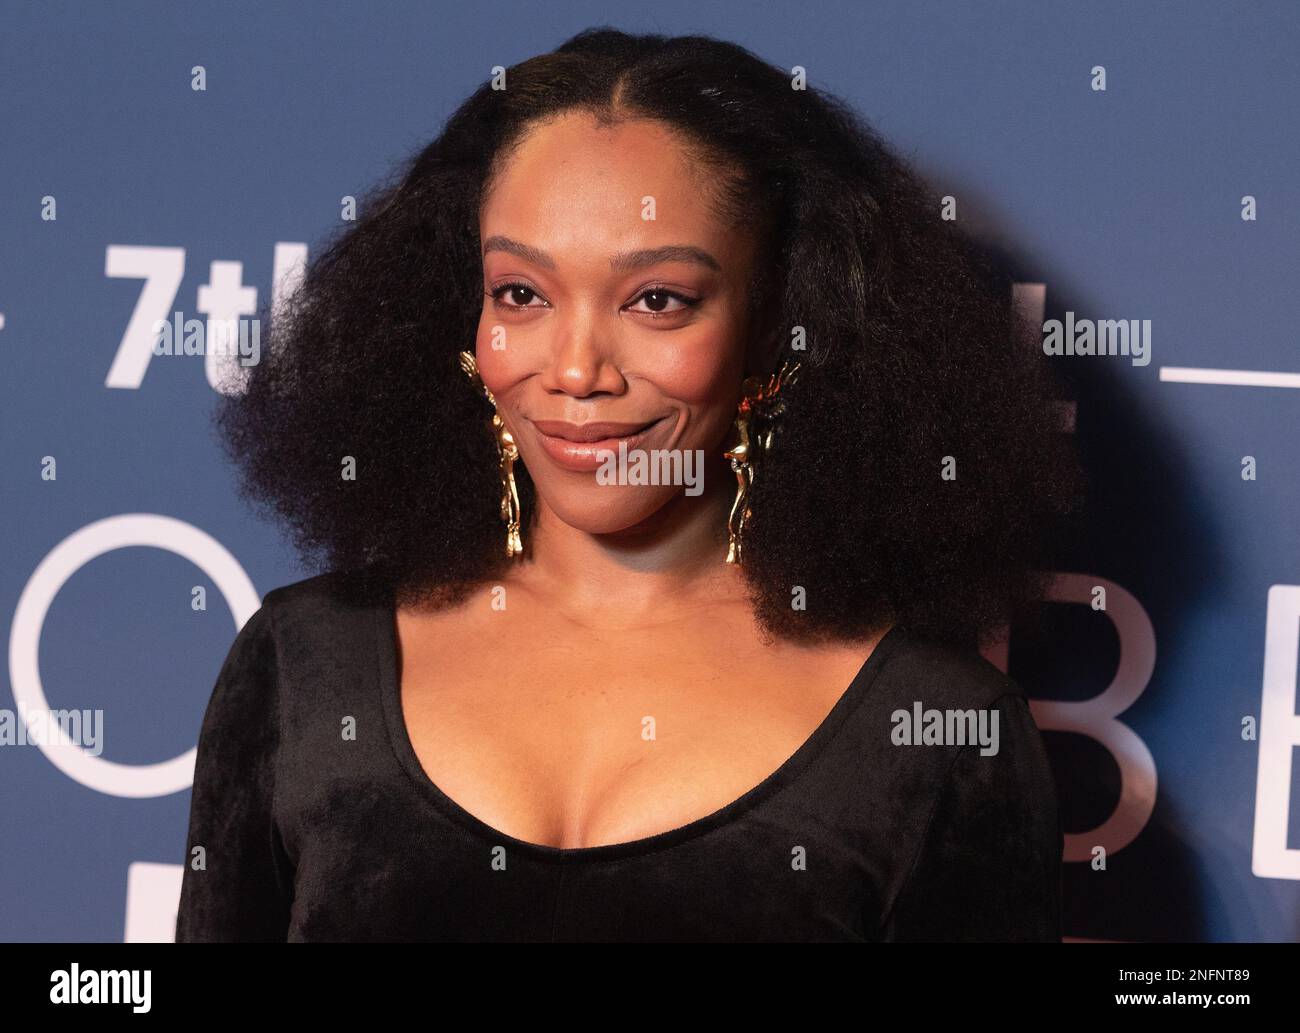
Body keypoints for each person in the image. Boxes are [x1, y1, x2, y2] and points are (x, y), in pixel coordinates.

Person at [175, 26, 1082, 942]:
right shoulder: (301, 666)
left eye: (657, 299)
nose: (575, 371)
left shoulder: (941, 737)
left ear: (776, 328)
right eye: (521, 293)